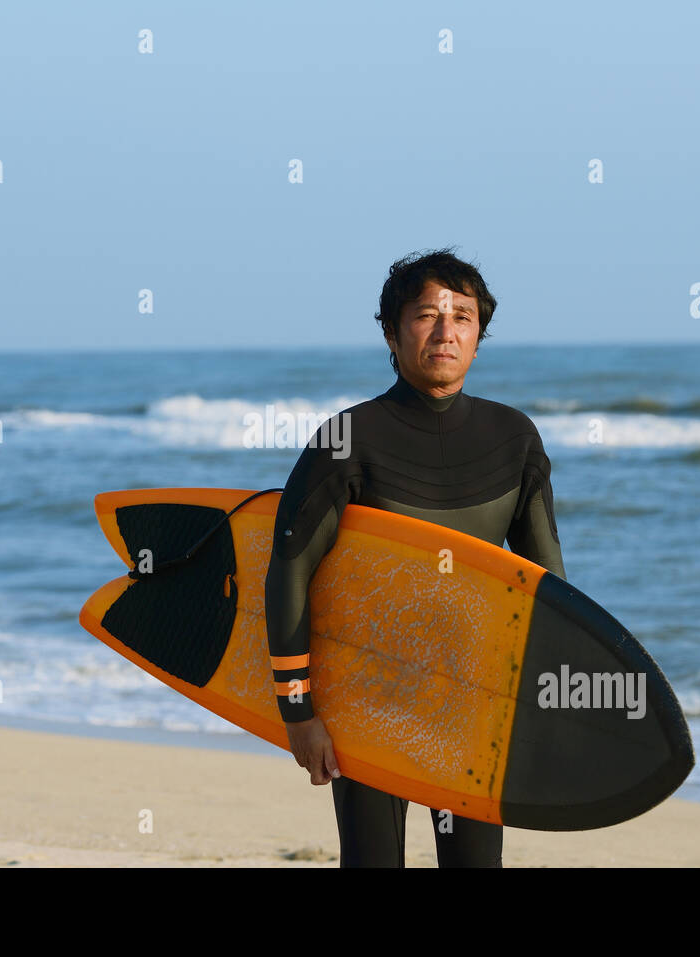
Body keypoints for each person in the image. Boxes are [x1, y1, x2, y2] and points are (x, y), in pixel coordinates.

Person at [264, 248, 567, 867]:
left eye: (464, 316)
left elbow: (545, 585)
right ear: (391, 330)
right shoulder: (347, 439)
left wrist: (547, 706)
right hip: (368, 699)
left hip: (474, 704)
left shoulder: (515, 440)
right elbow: (290, 568)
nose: (446, 330)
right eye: (427, 314)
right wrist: (298, 712)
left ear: (480, 336)